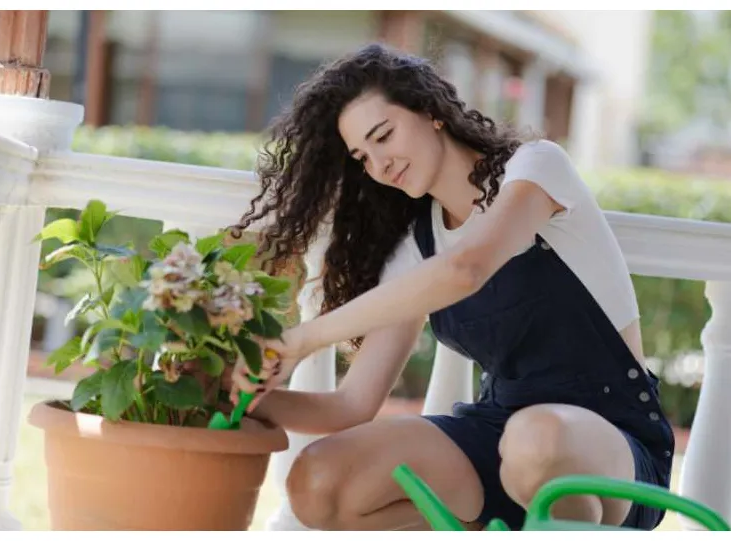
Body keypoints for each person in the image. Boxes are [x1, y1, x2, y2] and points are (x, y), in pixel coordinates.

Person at [228, 43, 675, 531]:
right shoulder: (418, 244)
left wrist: (305, 338)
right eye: (362, 156)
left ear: (429, 111)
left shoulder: (535, 168)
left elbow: (468, 268)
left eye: (384, 135)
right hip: (500, 432)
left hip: (610, 441)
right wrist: (244, 394)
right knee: (321, 480)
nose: (379, 165)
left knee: (536, 440)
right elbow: (351, 405)